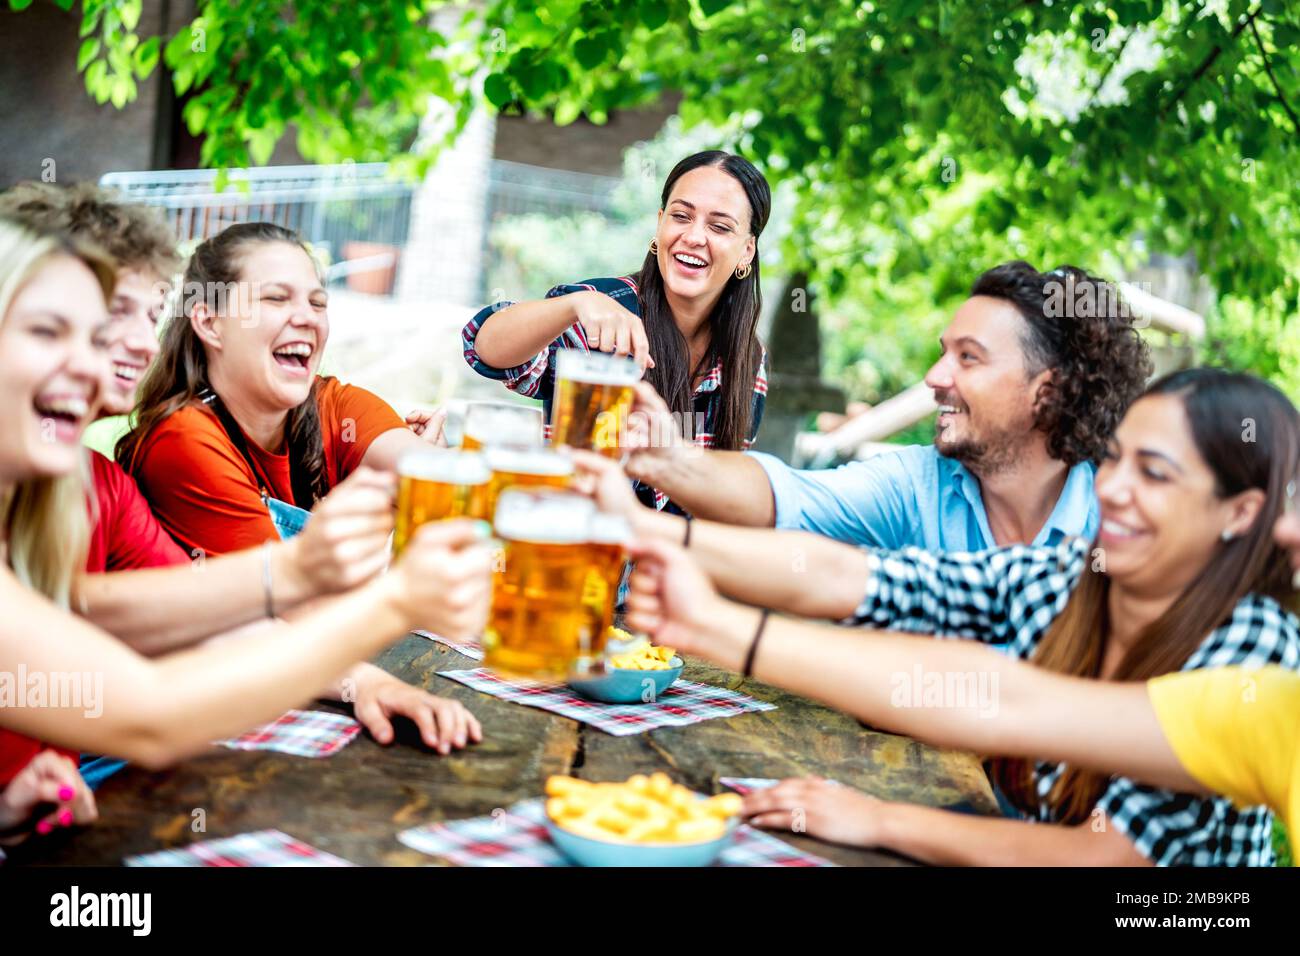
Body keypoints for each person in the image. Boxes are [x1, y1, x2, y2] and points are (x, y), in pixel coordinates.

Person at [609, 367, 1300, 865]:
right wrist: (646, 531)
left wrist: (880, 820)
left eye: (1155, 474)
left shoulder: (1255, 645)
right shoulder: (1068, 575)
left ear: (1240, 512)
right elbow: (864, 578)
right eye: (1115, 461)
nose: (1113, 490)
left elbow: (1101, 857)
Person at [0, 221, 491, 840]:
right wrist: (388, 601)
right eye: (52, 331)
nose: (122, 349)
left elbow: (154, 619)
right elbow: (151, 710)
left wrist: (358, 673)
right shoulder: (175, 440)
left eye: (143, 317)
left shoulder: (89, 481)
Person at [622, 261, 1151, 548]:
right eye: (945, 353)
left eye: (969, 358)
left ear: (1049, 390)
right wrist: (665, 456)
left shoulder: (1127, 512)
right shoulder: (916, 486)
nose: (934, 378)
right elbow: (783, 494)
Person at [462, 150, 771, 514]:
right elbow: (486, 349)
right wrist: (571, 306)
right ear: (660, 225)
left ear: (747, 251)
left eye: (719, 227)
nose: (693, 236)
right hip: (558, 549)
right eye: (680, 216)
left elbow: (722, 499)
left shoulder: (747, 359)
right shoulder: (602, 308)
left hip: (663, 562)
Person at [119, 221, 446, 554]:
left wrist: (432, 475)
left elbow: (436, 478)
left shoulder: (335, 407)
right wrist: (387, 508)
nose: (308, 318)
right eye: (276, 298)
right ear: (210, 323)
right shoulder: (183, 441)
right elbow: (286, 596)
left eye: (318, 303)